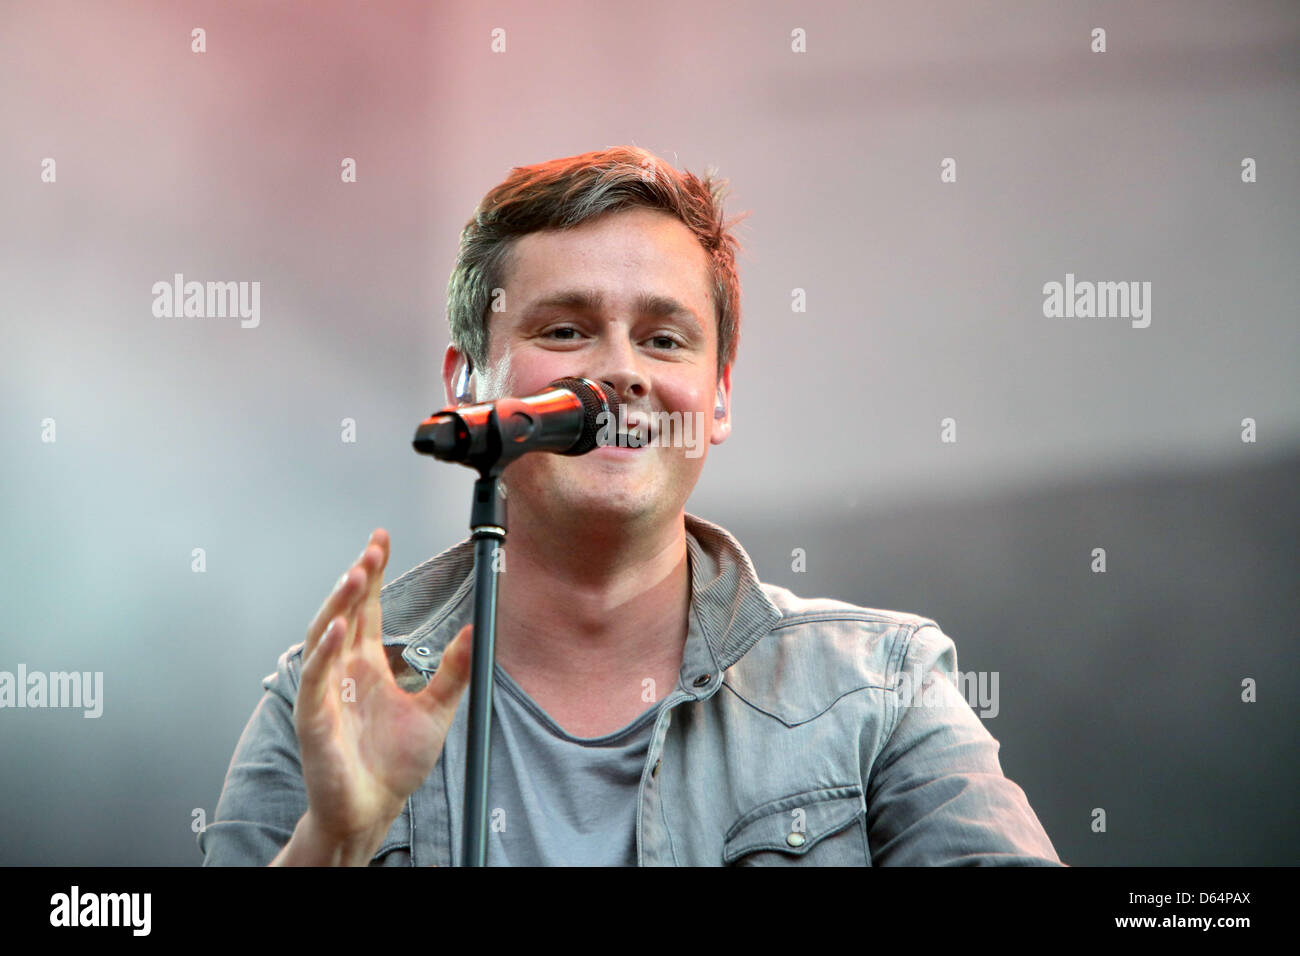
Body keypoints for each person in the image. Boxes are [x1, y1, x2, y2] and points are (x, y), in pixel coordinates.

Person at [199, 146, 1063, 866]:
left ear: (717, 397)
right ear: (466, 382)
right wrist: (334, 845)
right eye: (565, 330)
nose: (621, 370)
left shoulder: (880, 687)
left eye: (663, 338)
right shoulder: (335, 691)